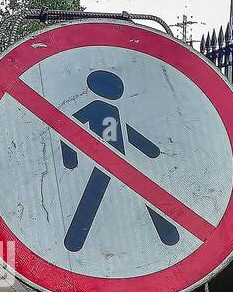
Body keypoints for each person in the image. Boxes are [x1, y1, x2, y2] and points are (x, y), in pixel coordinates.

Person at [60, 70, 180, 252]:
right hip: (104, 162)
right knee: (95, 197)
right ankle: (74, 240)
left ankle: (168, 232)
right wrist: (70, 159)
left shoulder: (113, 110)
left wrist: (151, 149)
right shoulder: (94, 107)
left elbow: (127, 132)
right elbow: (68, 129)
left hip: (121, 162)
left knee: (137, 193)